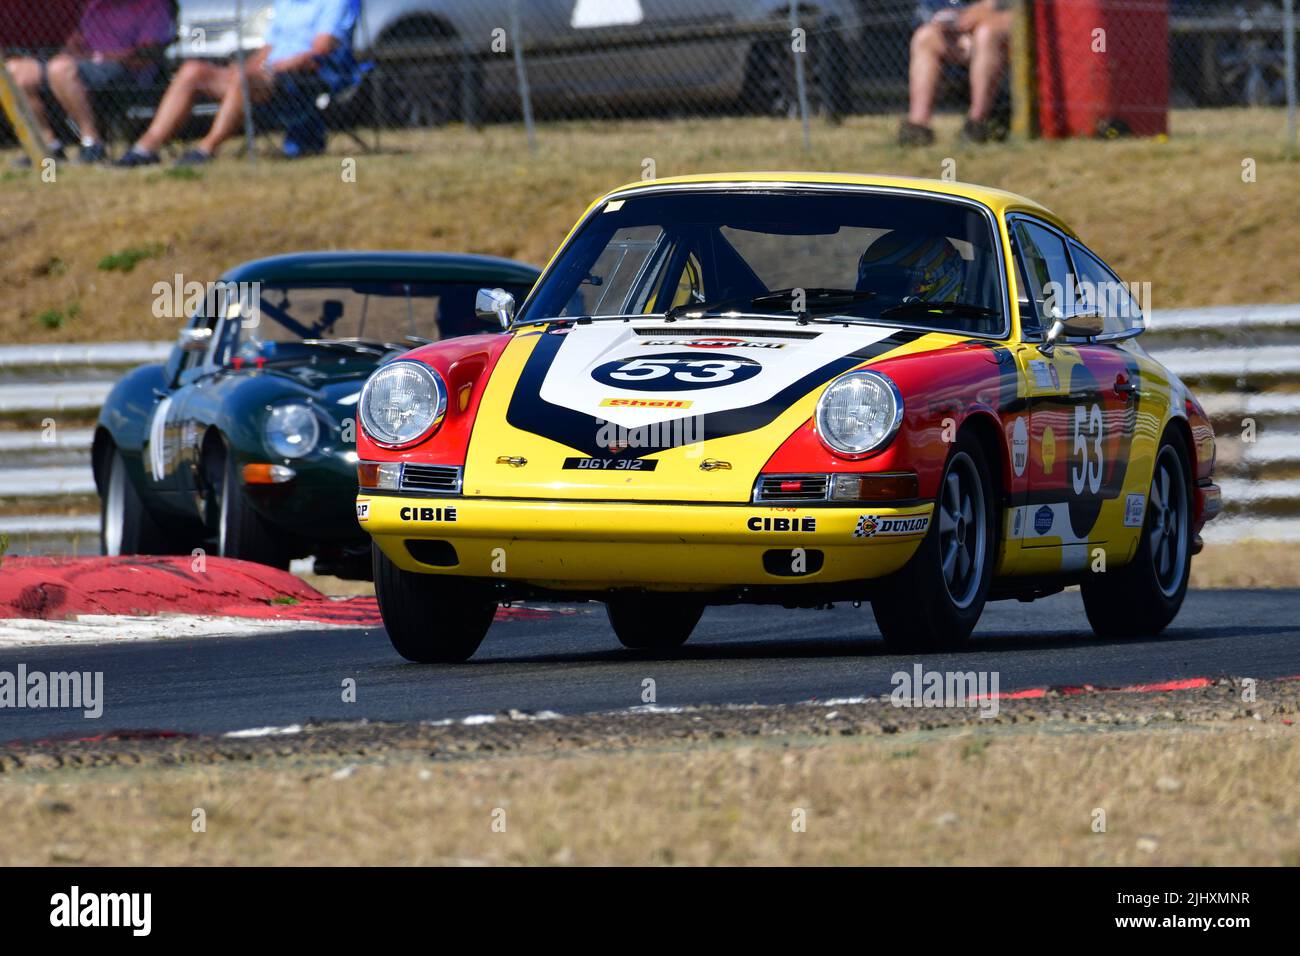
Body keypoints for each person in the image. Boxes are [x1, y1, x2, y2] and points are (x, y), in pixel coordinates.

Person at [116, 0, 358, 167]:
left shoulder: (335, 1)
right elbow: (268, 48)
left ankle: (205, 149)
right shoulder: (287, 2)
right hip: (265, 77)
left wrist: (267, 69)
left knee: (243, 80)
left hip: (305, 79)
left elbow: (321, 50)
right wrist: (248, 67)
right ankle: (145, 149)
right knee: (193, 71)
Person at [4, 0, 175, 164]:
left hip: (126, 72)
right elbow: (74, 43)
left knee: (60, 69)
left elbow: (148, 54)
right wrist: (73, 51)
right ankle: (48, 146)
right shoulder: (95, 4)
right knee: (16, 71)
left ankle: (92, 144)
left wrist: (101, 57)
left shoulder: (153, 4)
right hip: (81, 65)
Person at [899, 0, 1013, 146]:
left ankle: (977, 123)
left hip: (1013, 22)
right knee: (924, 38)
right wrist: (949, 20)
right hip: (965, 30)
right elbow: (932, 10)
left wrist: (987, 8)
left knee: (986, 33)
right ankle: (917, 126)